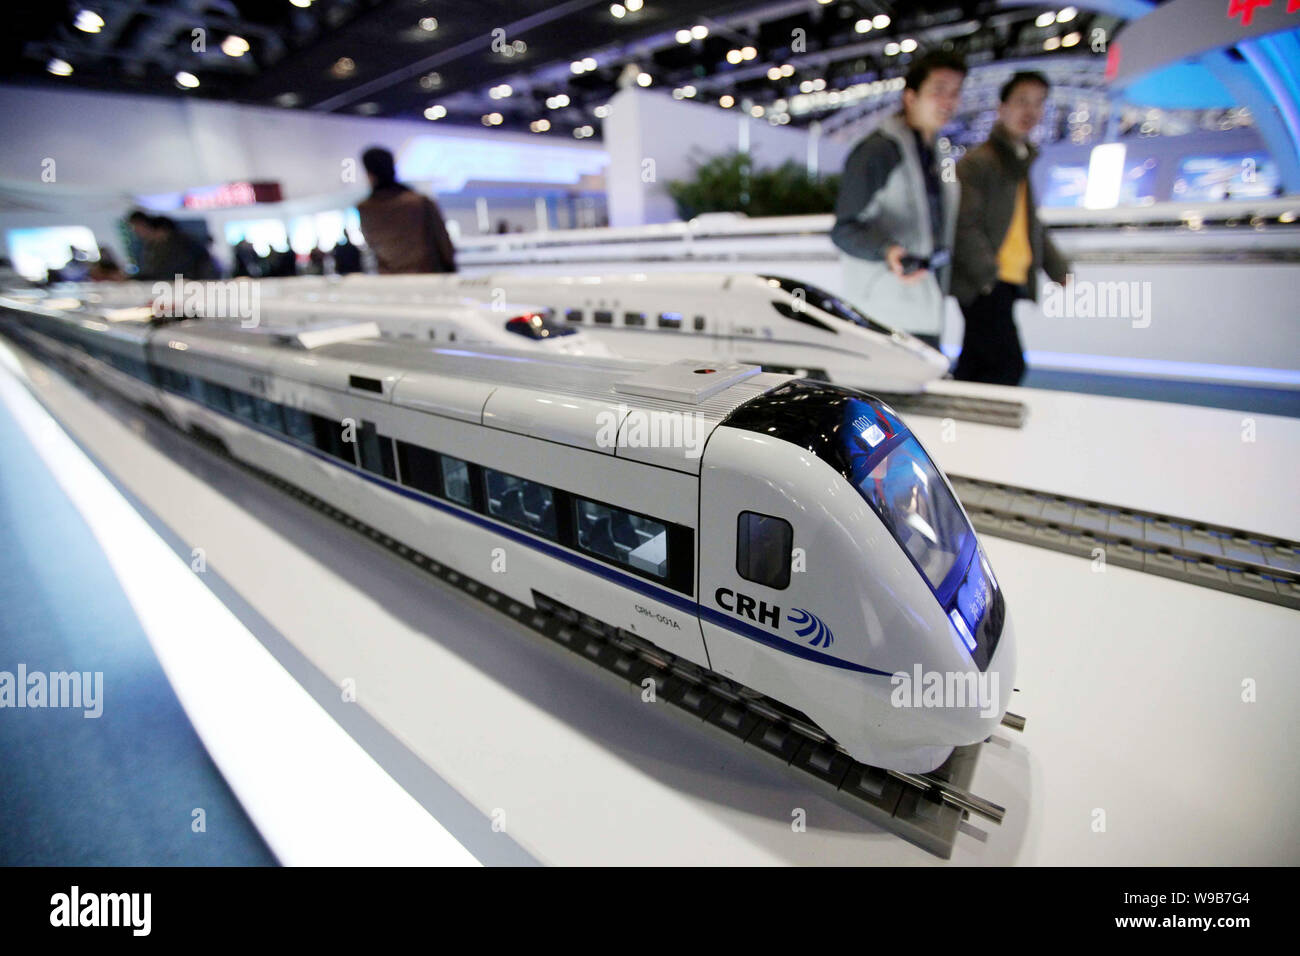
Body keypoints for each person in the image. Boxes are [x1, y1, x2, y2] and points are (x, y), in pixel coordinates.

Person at [831, 51, 966, 350]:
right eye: (939, 91)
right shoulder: (878, 152)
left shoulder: (935, 154)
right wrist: (887, 250)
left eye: (956, 92)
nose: (948, 101)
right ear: (911, 96)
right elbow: (844, 230)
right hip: (884, 314)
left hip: (926, 305)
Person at [951, 71, 1070, 385]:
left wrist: (1057, 269)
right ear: (1002, 107)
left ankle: (961, 423)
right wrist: (987, 276)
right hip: (986, 283)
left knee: (977, 365)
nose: (1030, 111)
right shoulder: (980, 163)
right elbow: (965, 225)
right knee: (1007, 365)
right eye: (1021, 102)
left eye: (1038, 103)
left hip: (1005, 280)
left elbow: (1032, 225)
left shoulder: (1019, 162)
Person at [355, 146, 456, 274]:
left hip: (390, 281)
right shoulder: (419, 202)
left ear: (370, 174)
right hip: (427, 278)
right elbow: (444, 245)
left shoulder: (365, 209)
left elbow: (371, 245)